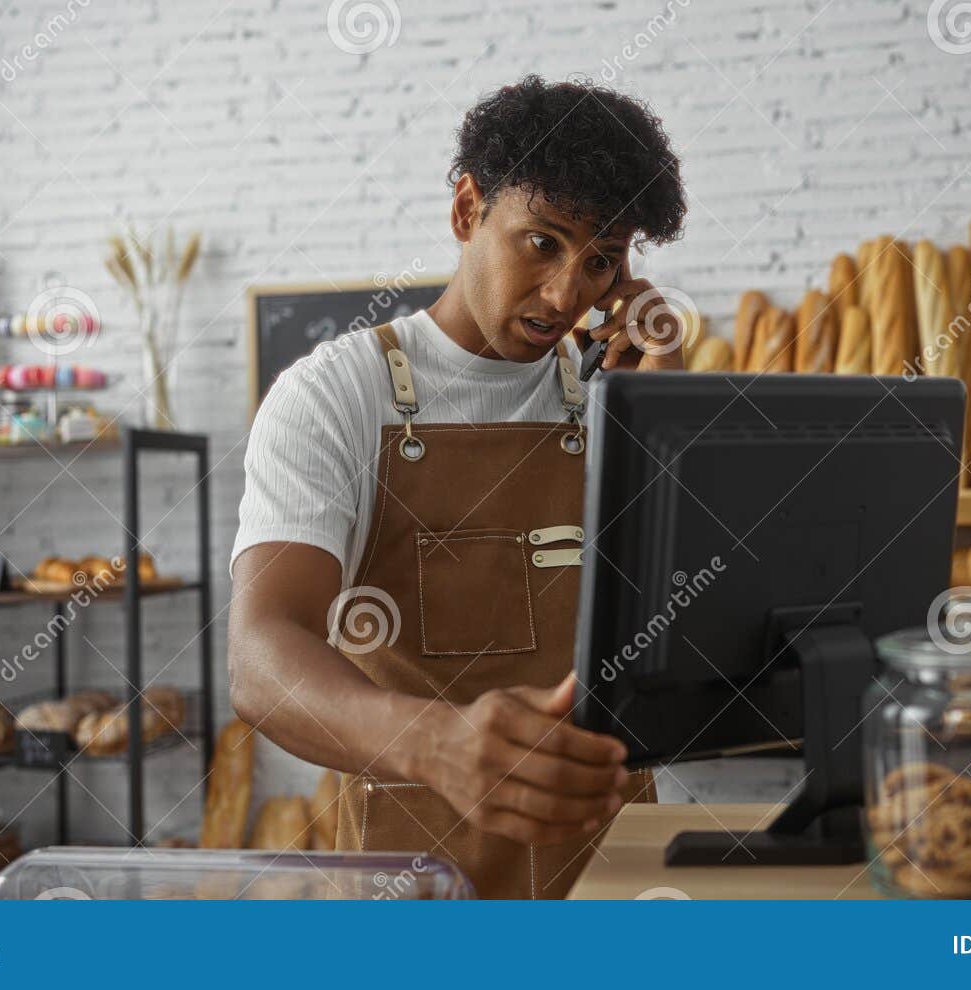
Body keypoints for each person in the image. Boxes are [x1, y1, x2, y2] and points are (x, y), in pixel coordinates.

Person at [228, 75, 688, 898]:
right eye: (542, 242)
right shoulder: (335, 396)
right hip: (412, 878)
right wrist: (437, 742)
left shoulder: (619, 390)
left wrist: (662, 420)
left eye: (601, 261)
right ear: (468, 211)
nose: (564, 294)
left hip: (620, 870)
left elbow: (677, 632)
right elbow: (261, 657)